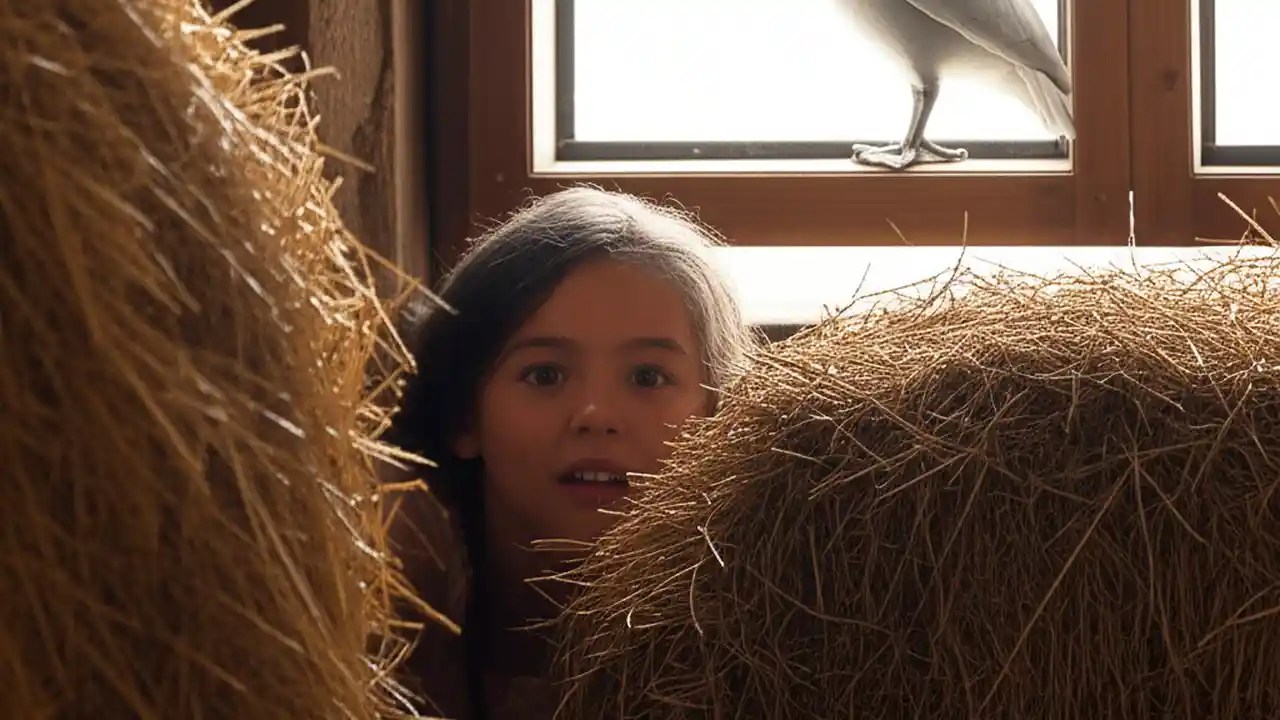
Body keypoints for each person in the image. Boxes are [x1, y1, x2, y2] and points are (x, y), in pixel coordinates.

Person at [383, 186, 758, 719]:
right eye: (545, 374)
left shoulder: (765, 620)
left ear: (716, 412)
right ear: (465, 416)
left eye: (647, 377)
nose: (596, 414)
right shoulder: (391, 567)